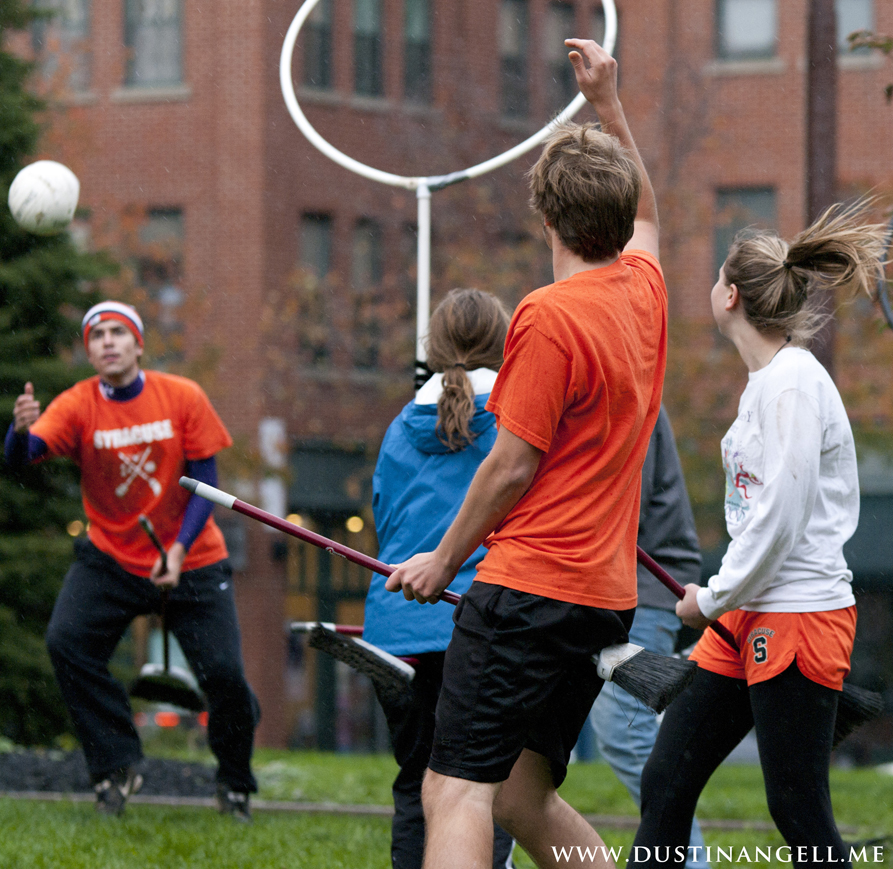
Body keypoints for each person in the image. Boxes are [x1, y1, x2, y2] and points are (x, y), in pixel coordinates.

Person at [387, 38, 667, 869]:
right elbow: (649, 215)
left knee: (455, 790)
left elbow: (509, 465)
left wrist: (440, 561)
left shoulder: (546, 315)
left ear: (544, 218)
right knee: (519, 794)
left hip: (529, 591)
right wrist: (608, 105)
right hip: (602, 598)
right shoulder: (644, 293)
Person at [629, 203, 887, 867]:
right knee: (666, 779)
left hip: (798, 614)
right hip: (746, 613)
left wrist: (709, 597)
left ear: (731, 294)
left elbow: (780, 513)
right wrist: (721, 599)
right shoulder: (763, 386)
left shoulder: (794, 382)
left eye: (716, 275)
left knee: (796, 803)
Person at [4, 301, 259, 820]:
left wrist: (179, 548)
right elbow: (22, 459)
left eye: (119, 333)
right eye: (98, 336)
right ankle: (116, 765)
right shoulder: (77, 404)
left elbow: (206, 481)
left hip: (192, 558)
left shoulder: (182, 396)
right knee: (67, 643)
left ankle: (234, 784)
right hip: (112, 556)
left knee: (226, 678)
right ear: (90, 350)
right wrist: (18, 431)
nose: (109, 342)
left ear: (138, 344)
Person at [364, 288, 515, 869]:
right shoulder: (512, 419)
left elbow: (386, 518)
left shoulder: (402, 424)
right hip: (475, 621)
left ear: (434, 346)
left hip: (397, 628)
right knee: (480, 788)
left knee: (415, 785)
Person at [585, 406, 710, 869]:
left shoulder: (626, 394)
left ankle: (689, 862)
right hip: (601, 585)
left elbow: (615, 501)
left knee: (627, 734)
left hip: (639, 585)